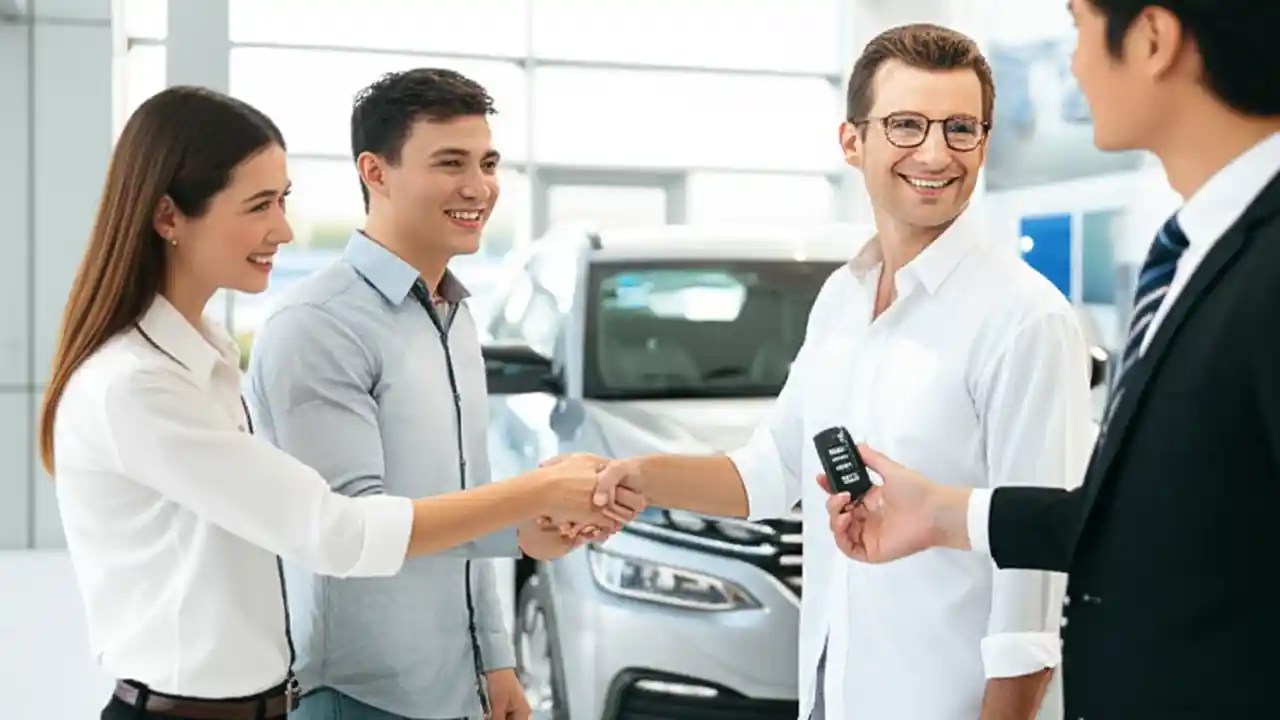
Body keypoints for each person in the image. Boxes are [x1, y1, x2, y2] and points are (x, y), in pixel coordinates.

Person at [38, 86, 631, 720]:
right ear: (168, 217)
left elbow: (442, 493)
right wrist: (532, 497)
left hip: (279, 702)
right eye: (259, 205)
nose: (284, 229)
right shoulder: (137, 385)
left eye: (284, 200)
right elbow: (337, 529)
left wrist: (510, 578)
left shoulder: (206, 355)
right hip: (259, 702)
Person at [554, 23, 1094, 720]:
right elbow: (773, 472)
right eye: (906, 125)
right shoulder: (842, 299)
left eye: (961, 128)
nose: (935, 152)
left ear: (984, 143)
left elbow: (1032, 607)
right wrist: (641, 477)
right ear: (853, 141)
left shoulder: (1027, 320)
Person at [821, 1, 1280, 718]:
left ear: (1153, 39)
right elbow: (1165, 519)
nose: (1072, 63)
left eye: (1079, 26)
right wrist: (946, 514)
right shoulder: (1206, 251)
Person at [244, 68, 626, 720]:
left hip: (455, 690)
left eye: (487, 162)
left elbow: (462, 494)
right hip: (356, 694)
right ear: (376, 172)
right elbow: (355, 530)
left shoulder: (453, 314)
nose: (478, 187)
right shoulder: (318, 326)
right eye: (449, 163)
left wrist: (496, 659)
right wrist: (529, 508)